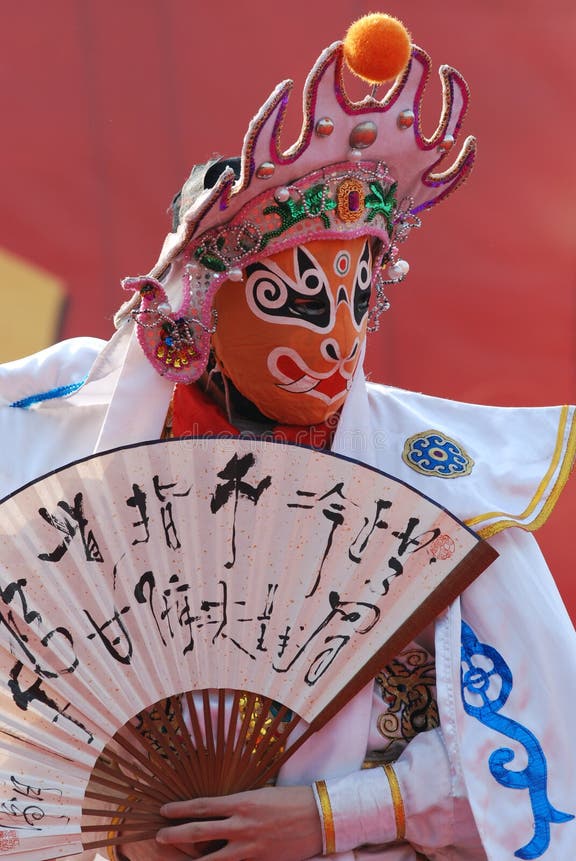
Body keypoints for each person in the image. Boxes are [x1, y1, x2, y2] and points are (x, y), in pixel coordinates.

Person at [1, 12, 575, 861]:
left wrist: (336, 814)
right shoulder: (54, 429)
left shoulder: (439, 487)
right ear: (202, 297)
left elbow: (548, 734)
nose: (337, 337)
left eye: (356, 296)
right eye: (296, 296)